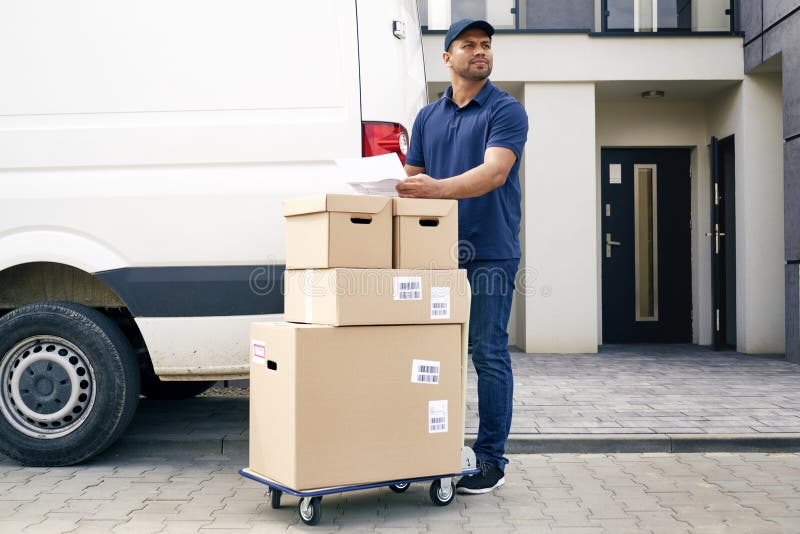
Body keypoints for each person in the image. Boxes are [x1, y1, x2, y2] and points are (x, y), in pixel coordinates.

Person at [396, 19, 529, 494]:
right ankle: (427, 446)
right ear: (446, 58)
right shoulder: (428, 118)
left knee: (488, 352)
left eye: (486, 45)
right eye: (469, 45)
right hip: (436, 254)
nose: (480, 51)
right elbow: (413, 182)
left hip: (491, 252)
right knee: (429, 351)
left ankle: (490, 457)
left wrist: (436, 189)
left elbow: (494, 173)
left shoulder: (506, 110)